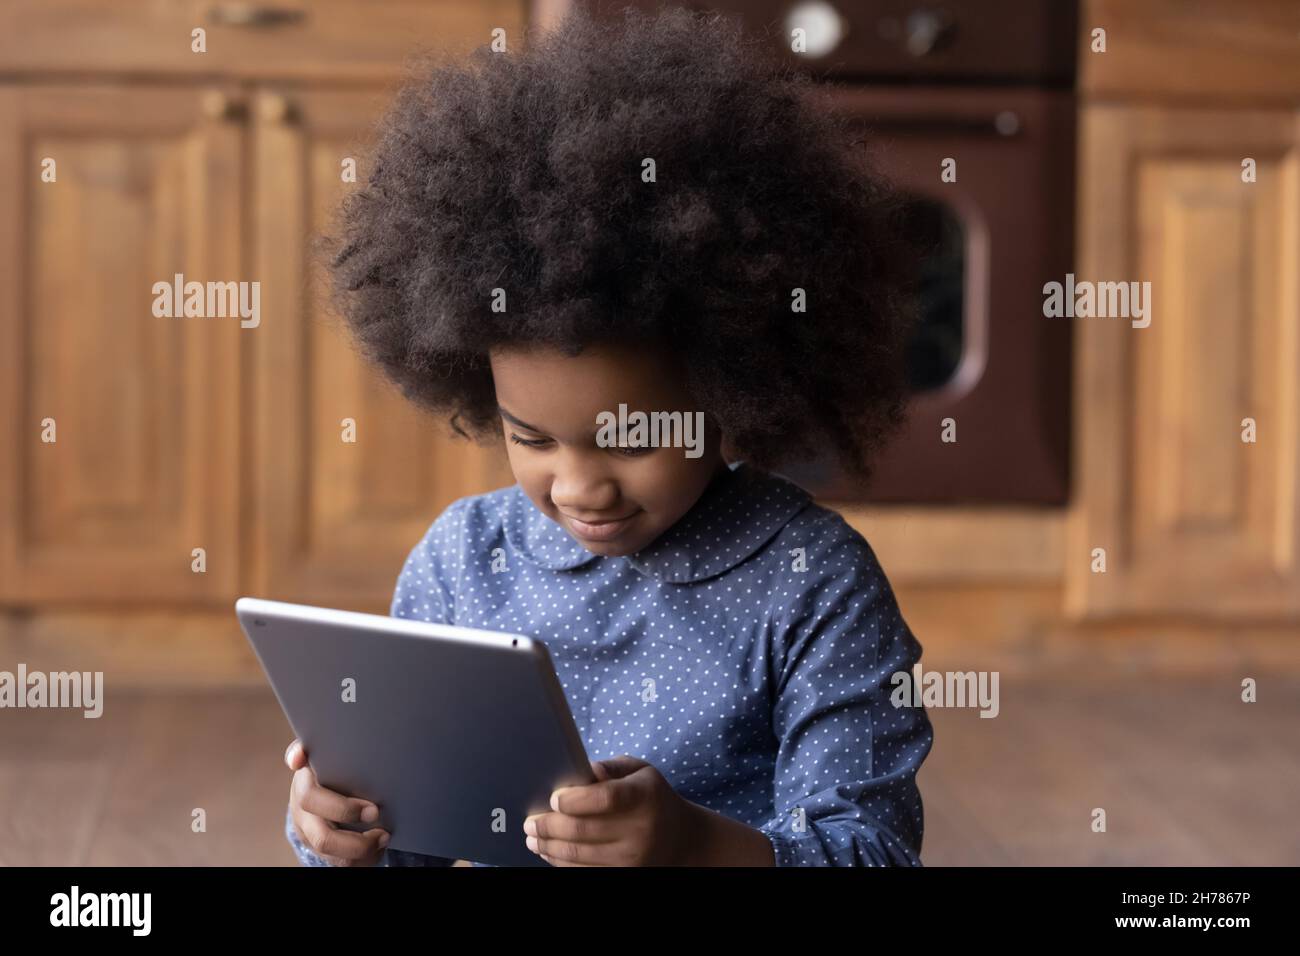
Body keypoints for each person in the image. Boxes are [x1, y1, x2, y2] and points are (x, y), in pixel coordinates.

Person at [285, 4, 932, 867]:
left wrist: (696, 847)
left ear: (733, 387)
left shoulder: (814, 584)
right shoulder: (459, 565)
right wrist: (338, 833)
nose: (581, 488)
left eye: (630, 438)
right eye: (533, 439)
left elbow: (876, 853)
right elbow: (421, 842)